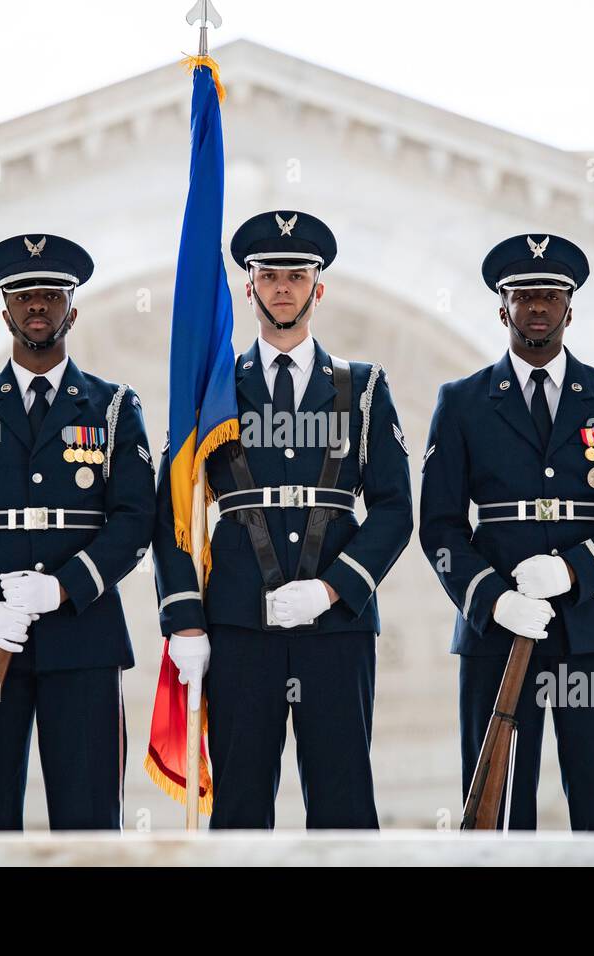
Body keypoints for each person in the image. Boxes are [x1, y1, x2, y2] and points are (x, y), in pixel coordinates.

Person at [152, 210, 413, 829]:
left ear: (318, 288)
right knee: (241, 806)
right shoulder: (212, 389)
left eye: (296, 275)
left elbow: (396, 510)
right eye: (269, 275)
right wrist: (185, 621)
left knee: (345, 800)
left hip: (337, 625)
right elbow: (171, 513)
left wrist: (332, 588)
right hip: (241, 621)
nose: (282, 288)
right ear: (249, 287)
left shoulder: (363, 387)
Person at [418, 233, 594, 830]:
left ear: (570, 308)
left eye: (550, 295)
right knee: (497, 810)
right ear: (502, 306)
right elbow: (440, 526)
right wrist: (492, 600)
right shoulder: (462, 402)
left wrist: (575, 570)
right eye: (523, 294)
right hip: (498, 631)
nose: (536, 306)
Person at [0, 233, 155, 829]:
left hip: (83, 636)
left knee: (89, 819)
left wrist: (65, 587)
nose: (38, 306)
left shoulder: (114, 407)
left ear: (72, 308)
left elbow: (134, 519)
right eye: (25, 296)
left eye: (51, 294)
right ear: (5, 311)